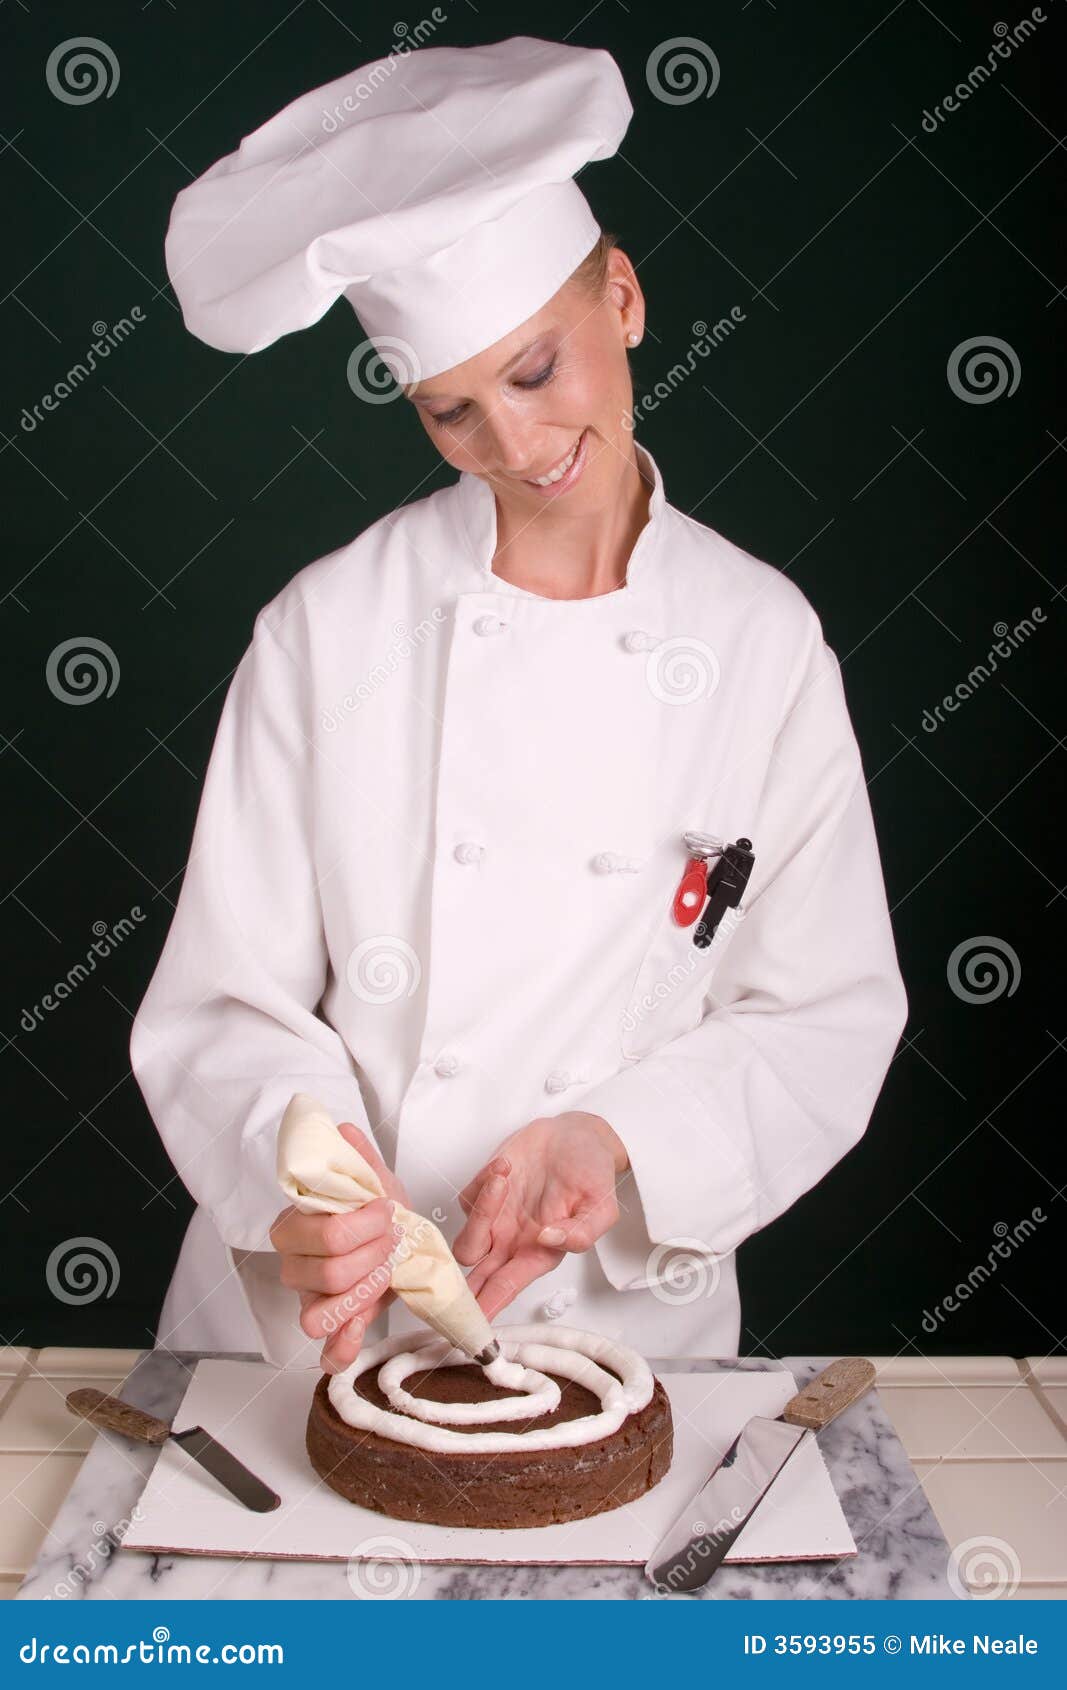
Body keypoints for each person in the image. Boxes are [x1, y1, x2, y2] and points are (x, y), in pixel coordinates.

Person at [131, 36, 908, 1373]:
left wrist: (619, 1141)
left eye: (537, 371)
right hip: (318, 1333)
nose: (515, 445)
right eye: (453, 412)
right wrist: (299, 1174)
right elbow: (221, 1009)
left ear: (623, 296)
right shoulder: (329, 628)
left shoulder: (761, 642)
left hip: (616, 1333)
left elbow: (824, 1011)